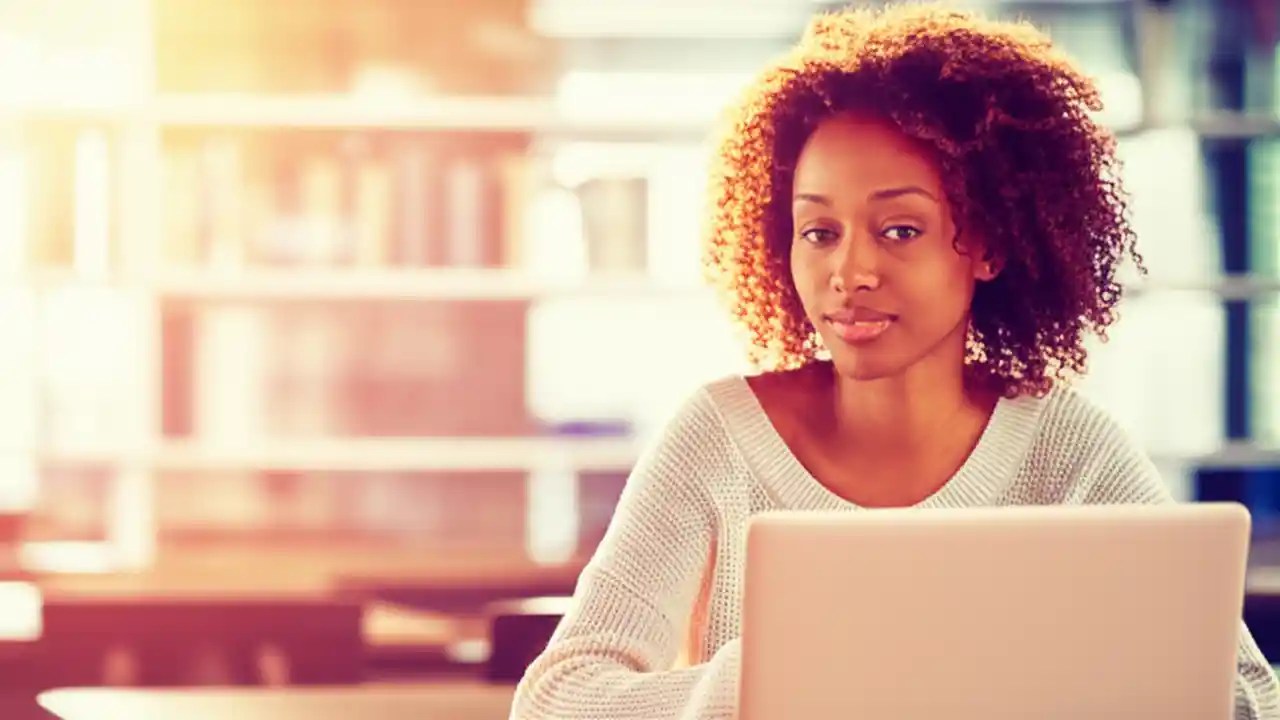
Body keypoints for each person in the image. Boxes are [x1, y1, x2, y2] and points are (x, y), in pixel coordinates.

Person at [508, 4, 1280, 719]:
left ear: (987, 244)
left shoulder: (1069, 450)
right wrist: (784, 679)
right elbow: (556, 700)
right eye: (819, 232)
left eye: (899, 230)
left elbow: (1249, 696)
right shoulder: (718, 439)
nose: (849, 272)